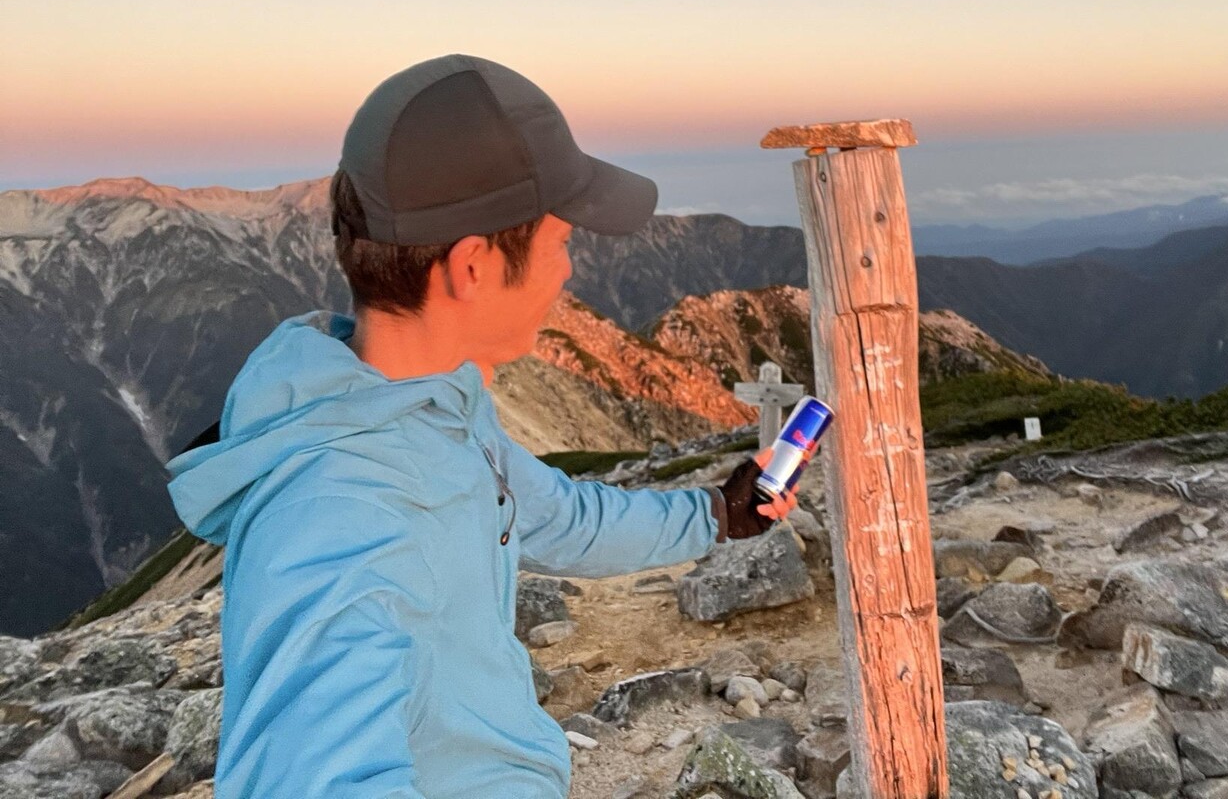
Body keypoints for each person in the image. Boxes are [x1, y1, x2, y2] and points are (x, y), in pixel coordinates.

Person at [164, 54, 798, 798]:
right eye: (560, 243)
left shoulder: (432, 404)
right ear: (472, 267)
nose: (568, 271)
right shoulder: (341, 517)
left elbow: (559, 517)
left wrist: (717, 514)